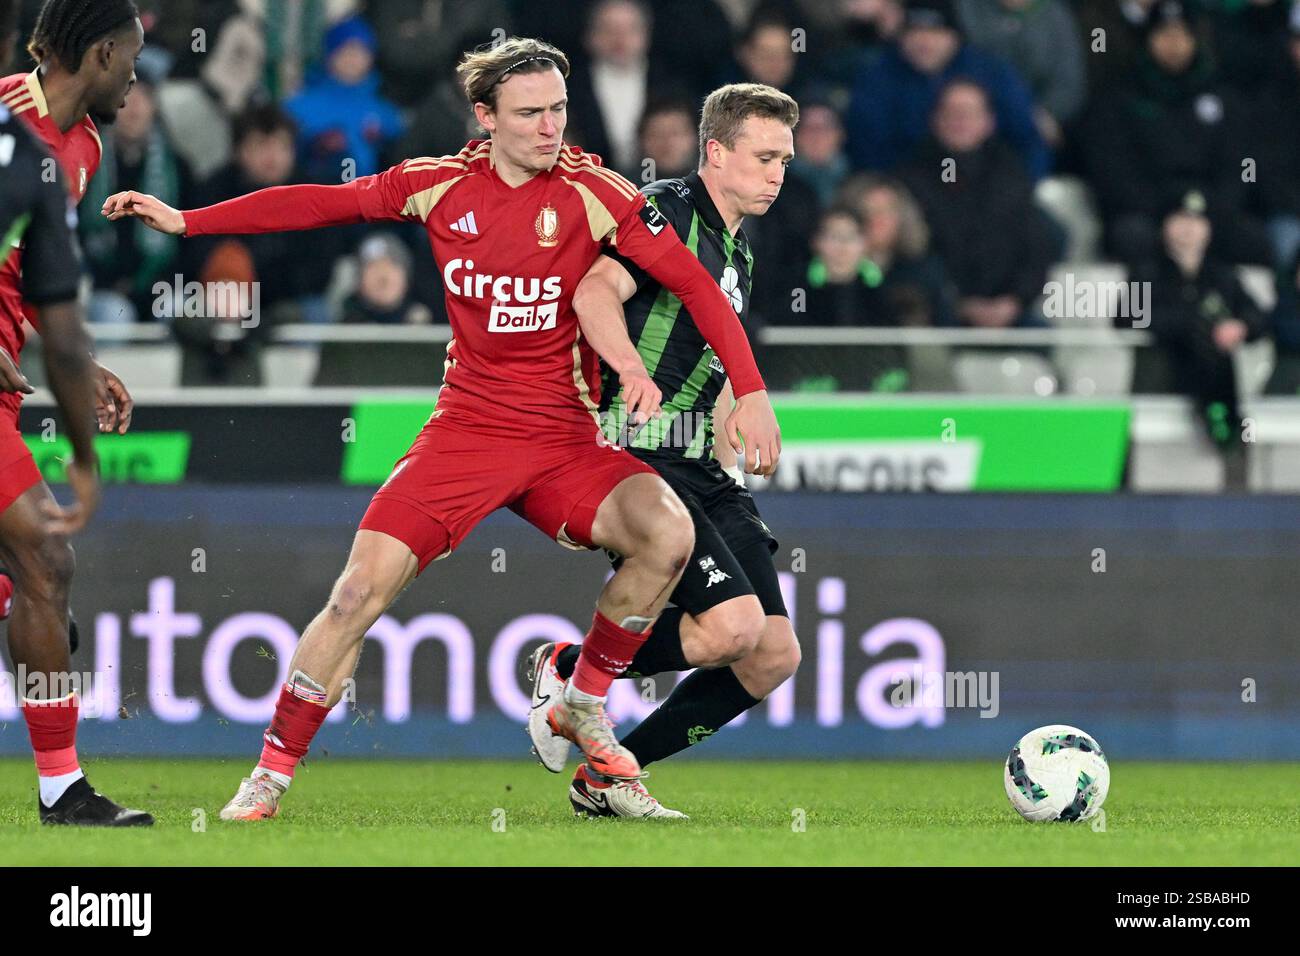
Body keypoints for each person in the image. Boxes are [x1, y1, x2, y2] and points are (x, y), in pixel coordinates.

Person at [104, 36, 782, 821]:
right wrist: (188, 221)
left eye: (558, 108)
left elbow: (696, 285)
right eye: (529, 113)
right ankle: (270, 772)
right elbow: (318, 202)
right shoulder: (435, 186)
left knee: (665, 531)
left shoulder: (600, 193)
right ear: (485, 116)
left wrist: (753, 390)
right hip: (465, 431)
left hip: (565, 437)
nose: (548, 127)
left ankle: (582, 699)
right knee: (357, 592)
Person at [526, 83, 801, 818]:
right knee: (729, 627)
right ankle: (566, 669)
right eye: (765, 156)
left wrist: (729, 418)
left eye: (786, 159)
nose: (778, 172)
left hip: (699, 465)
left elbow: (704, 355)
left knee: (773, 653)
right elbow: (593, 293)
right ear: (716, 152)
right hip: (637, 459)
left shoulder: (742, 249)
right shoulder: (668, 208)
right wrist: (631, 369)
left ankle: (609, 777)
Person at [0, 0, 148, 826]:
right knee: (47, 565)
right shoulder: (3, 122)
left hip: (6, 386)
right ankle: (64, 792)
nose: (135, 77)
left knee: (35, 577)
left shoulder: (84, 152)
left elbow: (37, 281)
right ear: (97, 54)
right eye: (129, 59)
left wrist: (78, 363)